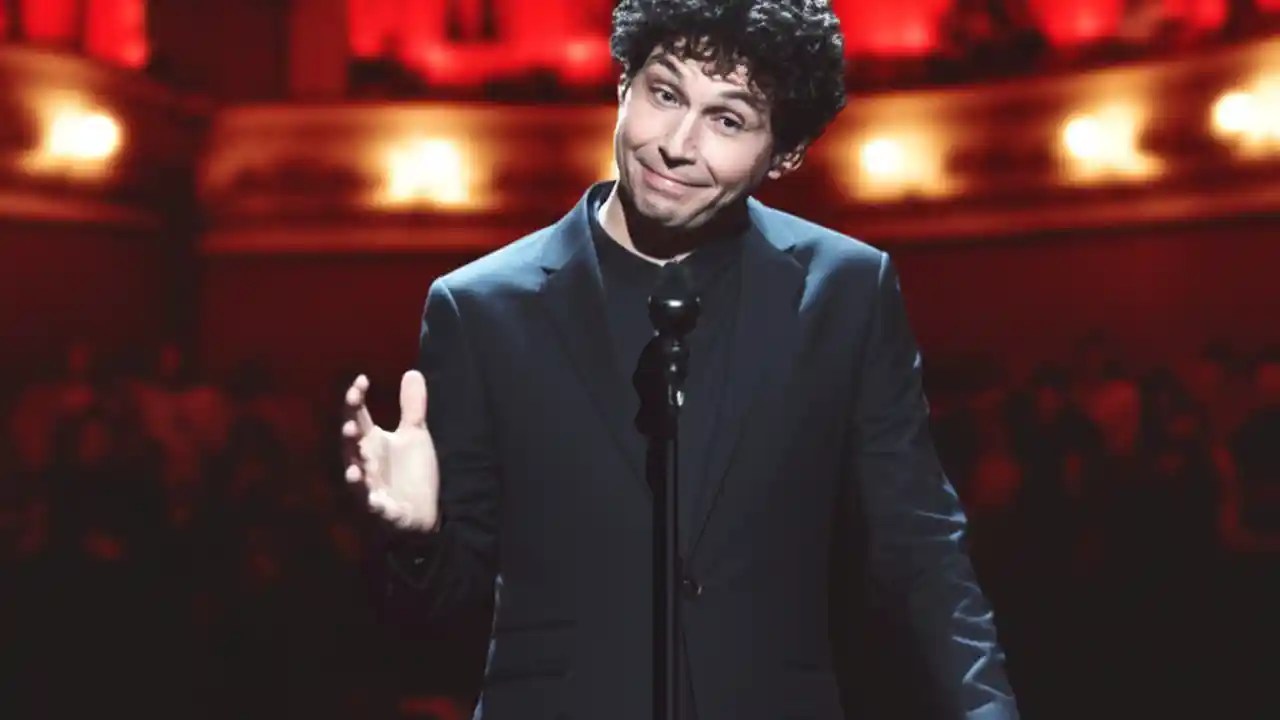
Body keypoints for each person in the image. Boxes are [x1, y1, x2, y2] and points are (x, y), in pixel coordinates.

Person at [342, 1, 1018, 718]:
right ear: (623, 85)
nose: (677, 144)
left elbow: (920, 553)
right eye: (665, 95)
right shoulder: (479, 309)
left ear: (783, 154)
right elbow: (443, 618)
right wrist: (420, 538)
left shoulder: (846, 293)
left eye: (728, 120)